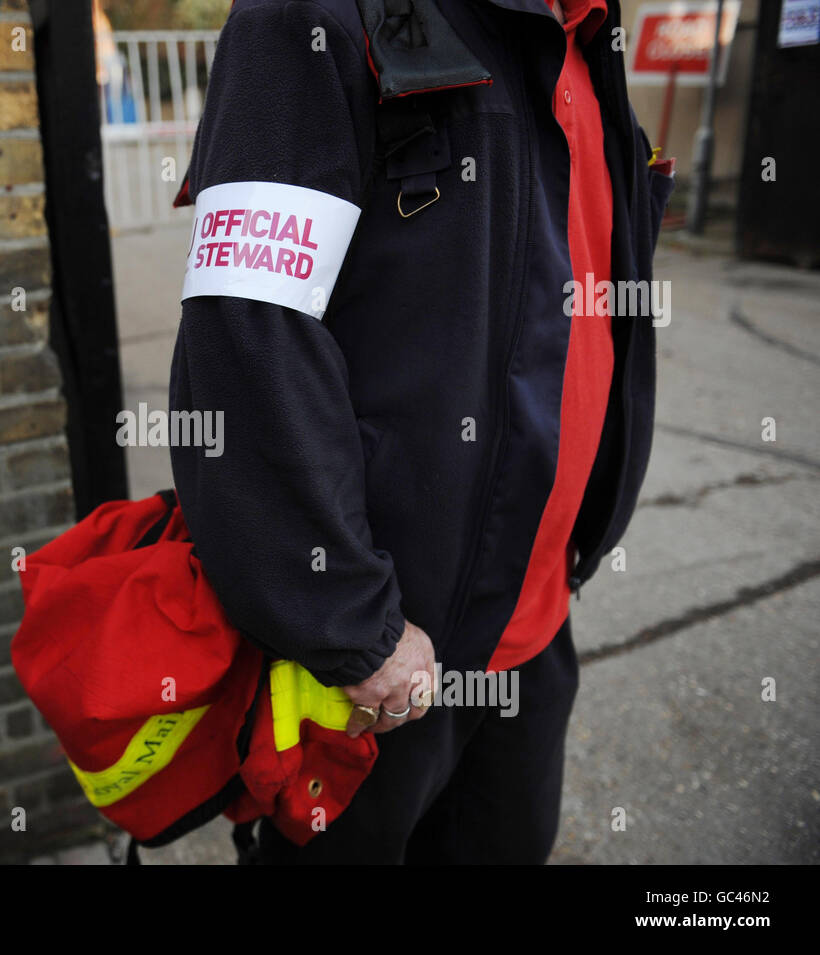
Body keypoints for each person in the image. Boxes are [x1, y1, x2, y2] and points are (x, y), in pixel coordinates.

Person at [169, 0, 675, 863]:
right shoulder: (310, 18)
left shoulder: (589, 36)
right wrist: (351, 626)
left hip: (535, 629)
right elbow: (247, 338)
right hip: (379, 663)